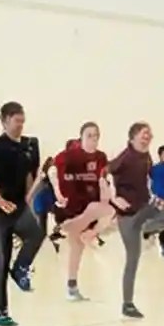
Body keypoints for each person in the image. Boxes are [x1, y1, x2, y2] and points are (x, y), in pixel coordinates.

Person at [0, 101, 44, 326]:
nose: (20, 125)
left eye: (22, 120)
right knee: (1, 259)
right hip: (0, 210)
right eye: (16, 121)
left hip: (19, 205)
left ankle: (20, 269)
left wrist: (30, 199)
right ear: (5, 121)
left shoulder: (28, 146)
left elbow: (29, 174)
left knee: (36, 234)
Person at [106, 122, 164, 318]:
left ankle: (146, 229)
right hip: (127, 215)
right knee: (133, 259)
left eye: (149, 134)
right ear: (133, 137)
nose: (148, 137)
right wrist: (113, 197)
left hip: (143, 209)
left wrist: (156, 200)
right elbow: (105, 174)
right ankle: (127, 304)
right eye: (144, 134)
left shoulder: (146, 157)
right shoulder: (125, 158)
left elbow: (146, 185)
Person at [50, 124, 115, 301]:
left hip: (87, 212)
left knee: (77, 248)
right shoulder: (69, 156)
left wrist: (106, 188)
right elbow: (52, 170)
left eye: (96, 136)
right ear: (81, 137)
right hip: (69, 212)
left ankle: (72, 287)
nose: (93, 139)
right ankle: (90, 235)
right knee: (99, 210)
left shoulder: (101, 157)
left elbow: (104, 179)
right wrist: (58, 191)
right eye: (90, 135)